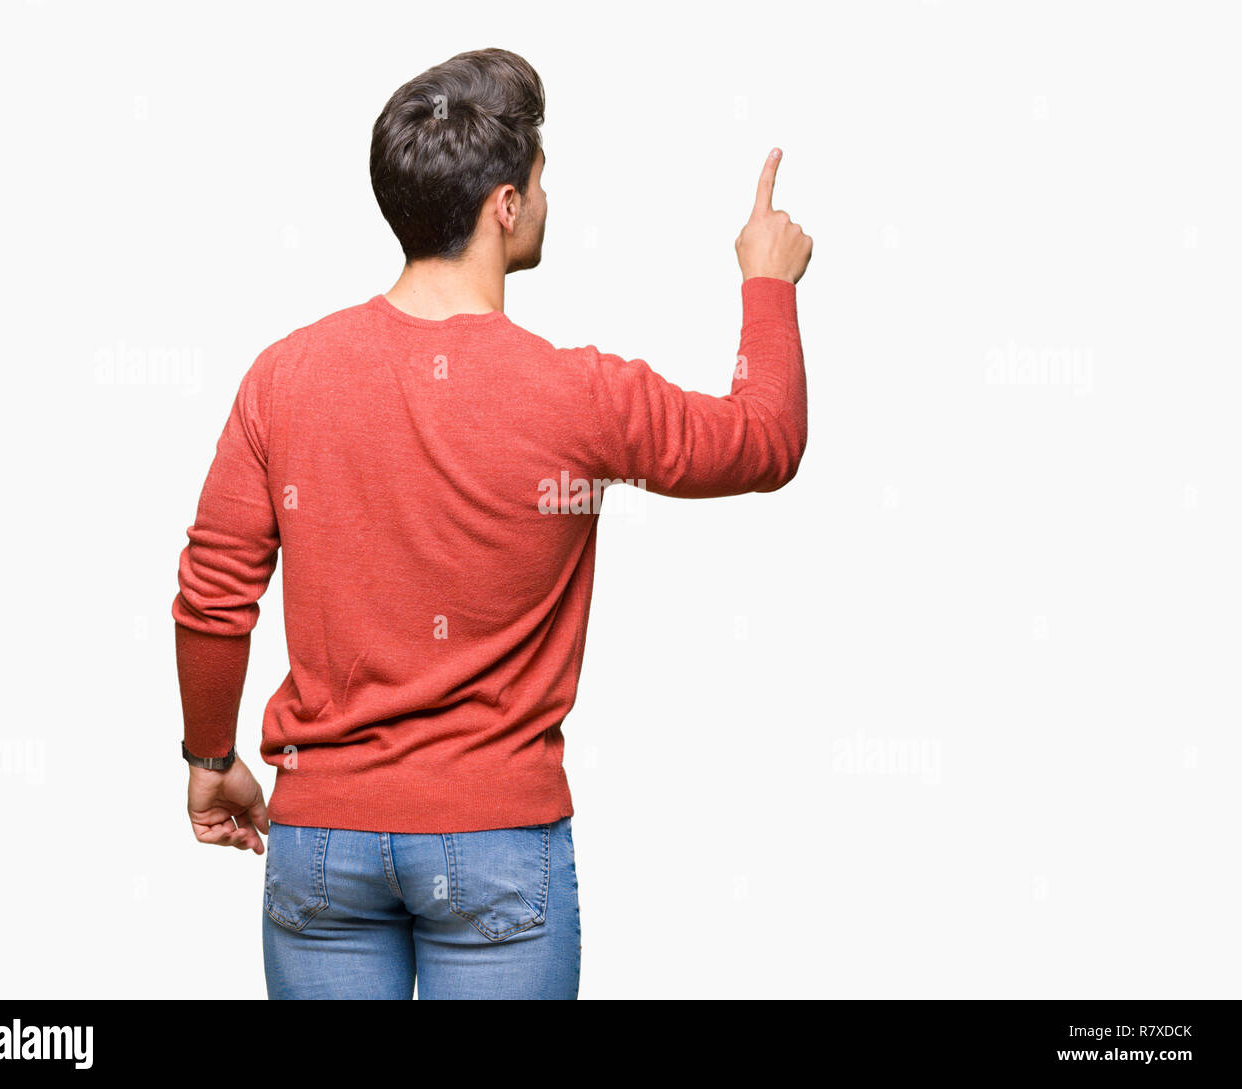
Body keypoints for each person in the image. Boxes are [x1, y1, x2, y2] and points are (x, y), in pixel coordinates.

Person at [172, 47, 812, 1000]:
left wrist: (211, 759)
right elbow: (764, 442)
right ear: (504, 206)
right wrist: (768, 282)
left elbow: (213, 597)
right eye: (541, 182)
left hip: (320, 849)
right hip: (499, 849)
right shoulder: (581, 395)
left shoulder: (284, 376)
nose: (548, 201)